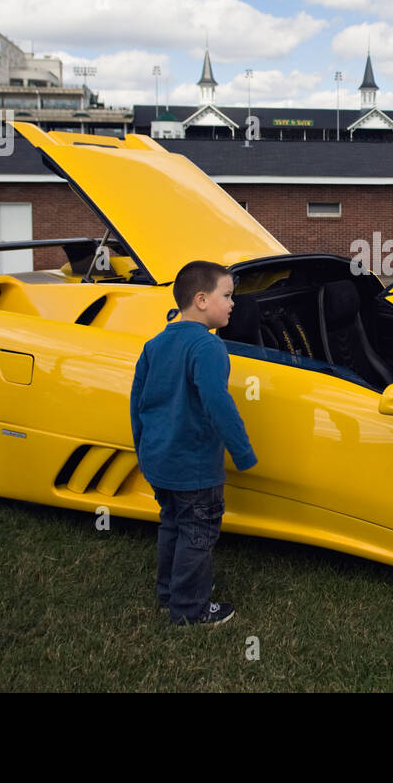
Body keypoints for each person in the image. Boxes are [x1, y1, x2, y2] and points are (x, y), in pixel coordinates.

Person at [130, 261, 258, 626]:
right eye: (228, 295)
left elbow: (137, 402)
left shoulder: (155, 344)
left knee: (172, 524)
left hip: (159, 461)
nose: (233, 304)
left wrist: (142, 449)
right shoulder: (208, 347)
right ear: (202, 300)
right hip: (195, 468)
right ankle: (190, 609)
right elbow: (218, 403)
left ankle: (169, 592)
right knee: (198, 533)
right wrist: (243, 452)